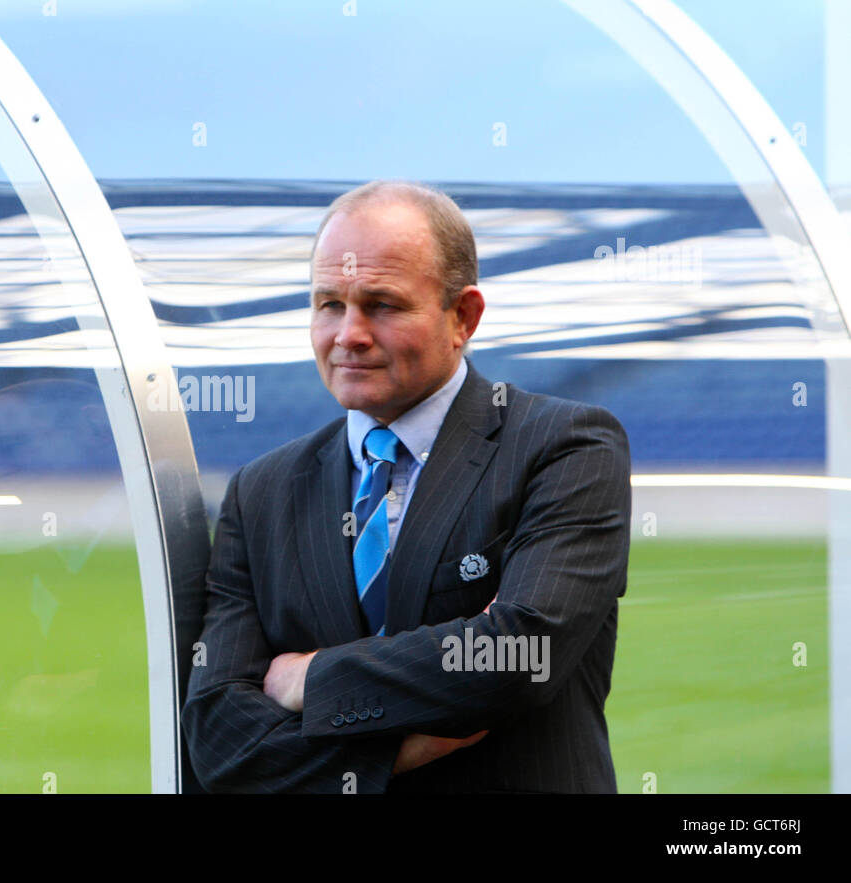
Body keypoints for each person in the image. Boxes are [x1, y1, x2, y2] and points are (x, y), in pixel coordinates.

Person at [181, 180, 631, 793]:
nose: (349, 334)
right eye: (329, 305)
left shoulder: (566, 448)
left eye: (382, 305)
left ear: (463, 317)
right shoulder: (261, 492)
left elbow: (520, 656)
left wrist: (312, 680)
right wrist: (392, 755)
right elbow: (218, 740)